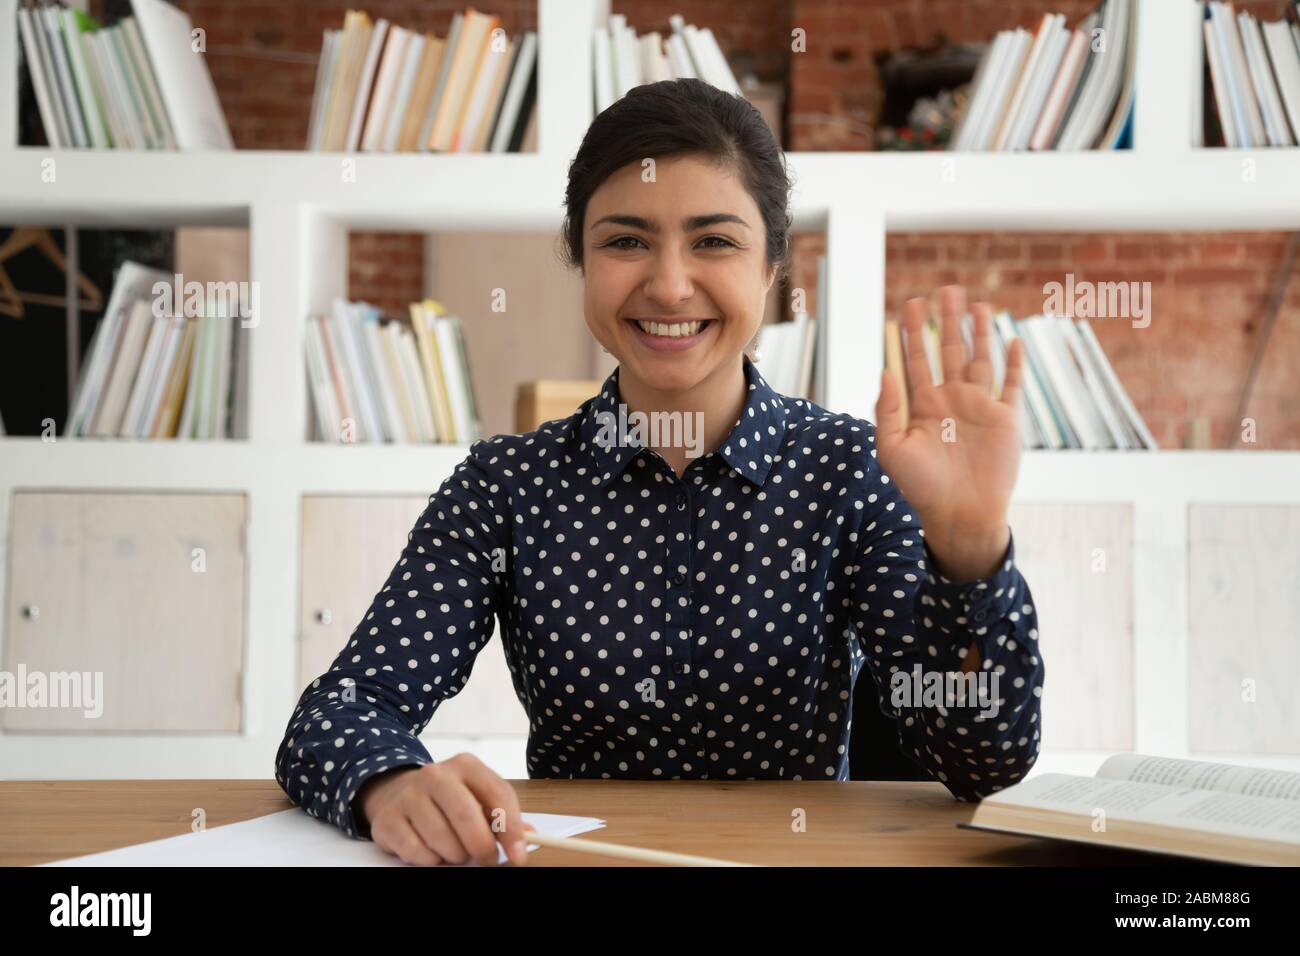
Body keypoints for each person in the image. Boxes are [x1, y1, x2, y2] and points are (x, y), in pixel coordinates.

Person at [275, 78, 1044, 866]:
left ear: (773, 265)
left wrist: (971, 547)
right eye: (626, 241)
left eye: (714, 240)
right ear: (580, 255)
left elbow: (981, 763)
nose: (670, 284)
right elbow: (339, 710)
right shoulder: (505, 486)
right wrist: (392, 783)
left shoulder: (851, 470)